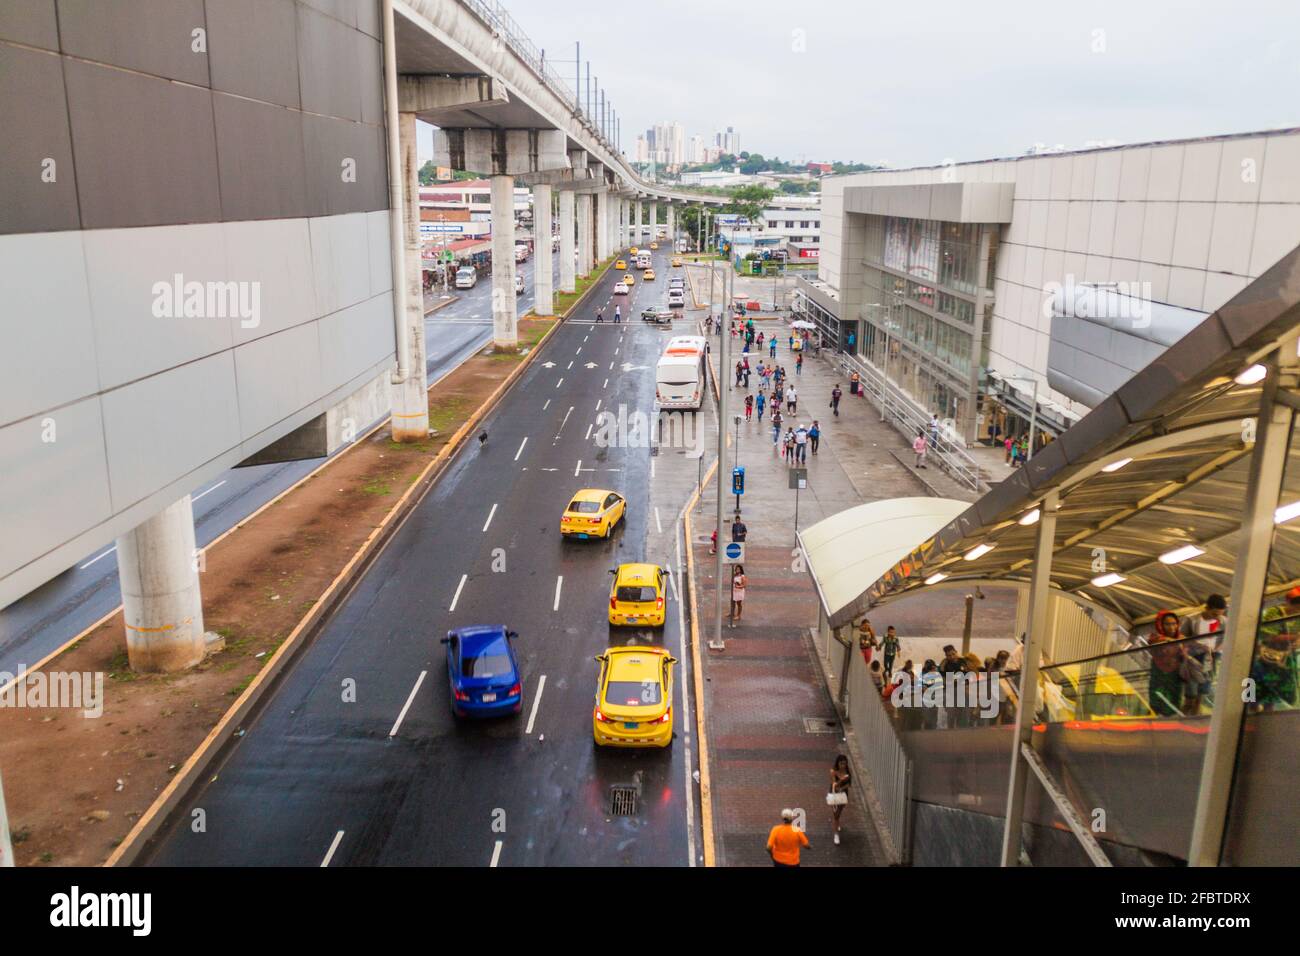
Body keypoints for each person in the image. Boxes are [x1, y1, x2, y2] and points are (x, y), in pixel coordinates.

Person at [1180, 593, 1227, 713]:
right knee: (1191, 691)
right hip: (1193, 657)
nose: (1217, 617)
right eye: (1215, 614)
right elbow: (1182, 637)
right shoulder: (1192, 619)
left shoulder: (1223, 622)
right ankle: (1184, 716)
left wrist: (1216, 649)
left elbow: (1226, 638)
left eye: (1220, 614)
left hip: (1211, 657)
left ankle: (1196, 717)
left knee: (1203, 689)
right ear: (1207, 608)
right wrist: (1196, 645)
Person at [1147, 610, 1186, 716]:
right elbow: (1153, 642)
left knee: (1174, 703)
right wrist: (1170, 640)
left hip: (1175, 676)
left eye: (1174, 623)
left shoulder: (1182, 638)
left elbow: (1185, 655)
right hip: (1158, 674)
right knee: (1155, 702)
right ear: (1160, 625)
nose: (1171, 627)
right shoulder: (1155, 637)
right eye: (1167, 624)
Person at [827, 754, 852, 845]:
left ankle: (837, 824)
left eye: (844, 764)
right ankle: (836, 834)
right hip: (834, 794)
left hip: (843, 794)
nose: (843, 766)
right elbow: (834, 785)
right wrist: (842, 779)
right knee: (836, 815)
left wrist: (844, 786)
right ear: (837, 763)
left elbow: (849, 784)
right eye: (841, 764)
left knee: (839, 813)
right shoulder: (833, 771)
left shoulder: (848, 770)